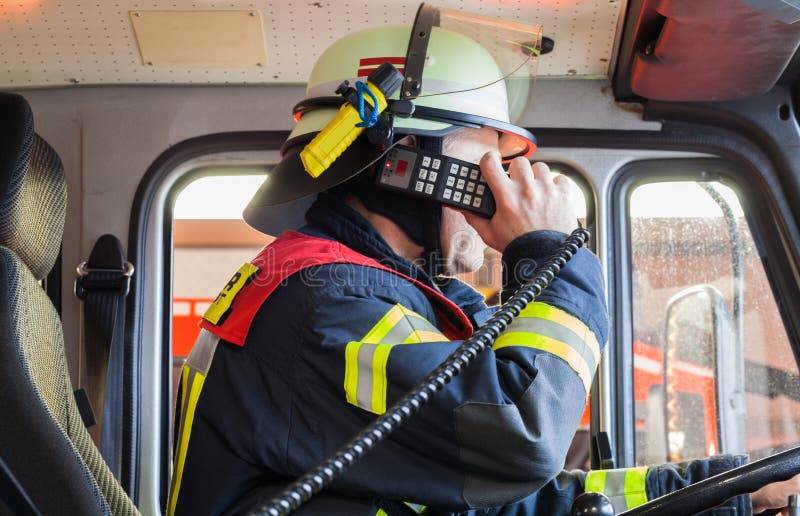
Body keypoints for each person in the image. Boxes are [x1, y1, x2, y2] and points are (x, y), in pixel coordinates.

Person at [168, 6, 799, 515]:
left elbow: (525, 501)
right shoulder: (324, 307)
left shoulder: (397, 295)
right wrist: (552, 254)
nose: (514, 180)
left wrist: (733, 492)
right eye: (490, 158)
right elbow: (521, 439)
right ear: (407, 164)